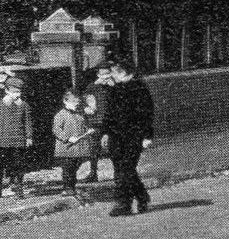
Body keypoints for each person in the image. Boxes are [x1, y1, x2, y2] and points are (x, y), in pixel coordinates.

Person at [100, 61, 155, 216]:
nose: (111, 75)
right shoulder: (114, 90)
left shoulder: (140, 89)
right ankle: (142, 196)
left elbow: (147, 114)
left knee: (125, 169)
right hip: (116, 136)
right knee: (122, 169)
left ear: (124, 73)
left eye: (114, 72)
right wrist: (105, 132)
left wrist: (147, 135)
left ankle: (123, 204)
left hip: (134, 136)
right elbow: (109, 114)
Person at [0, 76, 34, 199]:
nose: (17, 94)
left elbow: (28, 122)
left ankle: (19, 189)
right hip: (1, 140)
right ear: (7, 91)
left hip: (18, 140)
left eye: (19, 92)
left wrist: (29, 137)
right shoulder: (0, 104)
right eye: (14, 92)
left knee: (18, 165)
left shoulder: (24, 105)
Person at [52, 89, 96, 195]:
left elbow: (83, 126)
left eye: (77, 102)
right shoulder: (60, 115)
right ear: (65, 101)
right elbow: (56, 129)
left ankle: (71, 186)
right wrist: (67, 137)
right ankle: (67, 188)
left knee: (74, 168)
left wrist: (88, 130)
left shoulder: (79, 114)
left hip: (78, 149)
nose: (76, 104)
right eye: (73, 102)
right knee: (68, 168)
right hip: (66, 148)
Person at [81, 63, 114, 183]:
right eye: (102, 74)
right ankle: (93, 173)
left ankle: (119, 172)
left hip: (112, 122)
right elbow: (83, 103)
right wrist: (87, 108)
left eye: (107, 74)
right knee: (93, 148)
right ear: (98, 75)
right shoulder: (92, 87)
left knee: (114, 147)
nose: (105, 77)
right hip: (96, 122)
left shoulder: (116, 87)